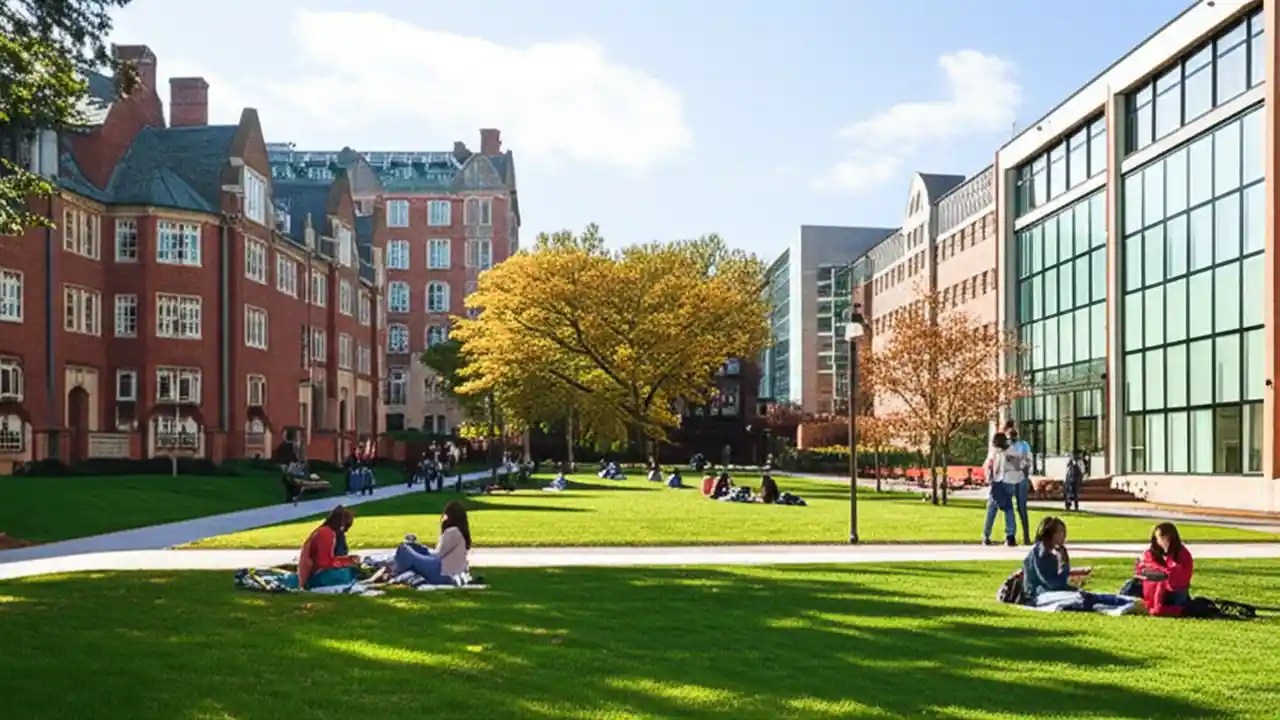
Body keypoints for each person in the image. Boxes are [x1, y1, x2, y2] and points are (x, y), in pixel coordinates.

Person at [1022, 516, 1140, 614]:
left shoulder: (1049, 553)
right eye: (1061, 532)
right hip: (1040, 597)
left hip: (1049, 593)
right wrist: (1064, 563)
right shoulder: (1040, 554)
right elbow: (1054, 584)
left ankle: (1124, 602)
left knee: (1086, 595)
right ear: (1051, 534)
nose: (1064, 536)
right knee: (1082, 598)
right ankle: (1122, 604)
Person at [392, 501, 474, 585]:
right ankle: (397, 572)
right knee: (413, 547)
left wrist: (424, 551)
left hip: (441, 572)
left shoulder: (452, 531)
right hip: (446, 572)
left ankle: (394, 574)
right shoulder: (459, 532)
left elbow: (437, 554)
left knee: (404, 549)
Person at [1133, 522, 1194, 617]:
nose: (1162, 541)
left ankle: (1176, 609)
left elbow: (1179, 577)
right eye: (1160, 538)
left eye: (1165, 538)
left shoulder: (1182, 554)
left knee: (1178, 598)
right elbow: (1142, 570)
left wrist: (1168, 560)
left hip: (1173, 591)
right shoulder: (1150, 553)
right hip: (1151, 587)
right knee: (1132, 585)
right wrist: (1161, 574)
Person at [298, 506, 361, 590]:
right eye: (347, 526)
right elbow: (324, 562)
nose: (346, 530)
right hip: (315, 576)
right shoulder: (325, 533)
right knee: (346, 573)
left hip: (317, 573)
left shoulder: (328, 532)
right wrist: (348, 561)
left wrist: (348, 560)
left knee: (351, 571)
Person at [981, 432, 1018, 546]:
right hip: (997, 483)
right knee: (992, 509)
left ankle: (1009, 535)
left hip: (1007, 482)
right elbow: (988, 465)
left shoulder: (1011, 452)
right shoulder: (995, 452)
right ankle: (986, 535)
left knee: (1007, 509)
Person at [1005, 422, 1033, 545]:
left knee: (1019, 508)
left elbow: (1027, 462)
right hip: (1014, 478)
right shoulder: (1013, 447)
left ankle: (1024, 535)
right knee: (1015, 508)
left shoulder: (1022, 445)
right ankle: (1013, 535)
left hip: (1018, 478)